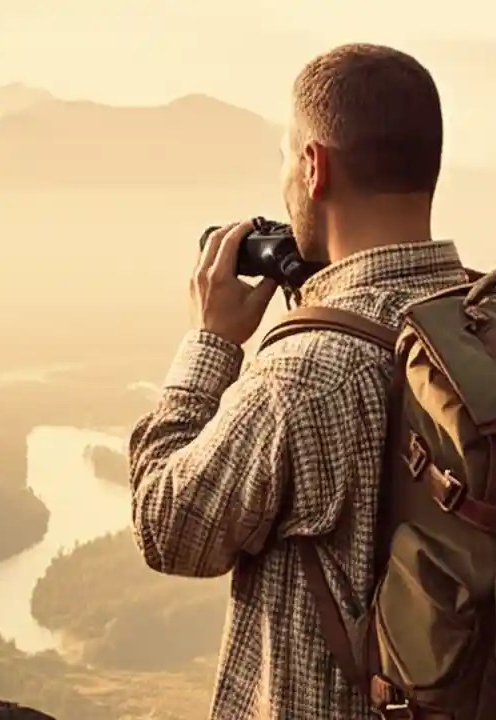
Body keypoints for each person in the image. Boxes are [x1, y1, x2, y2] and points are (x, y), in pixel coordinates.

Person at [127, 42, 467, 719]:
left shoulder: (306, 374)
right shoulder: (481, 317)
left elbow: (167, 528)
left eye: (286, 155)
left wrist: (210, 345)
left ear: (314, 167)